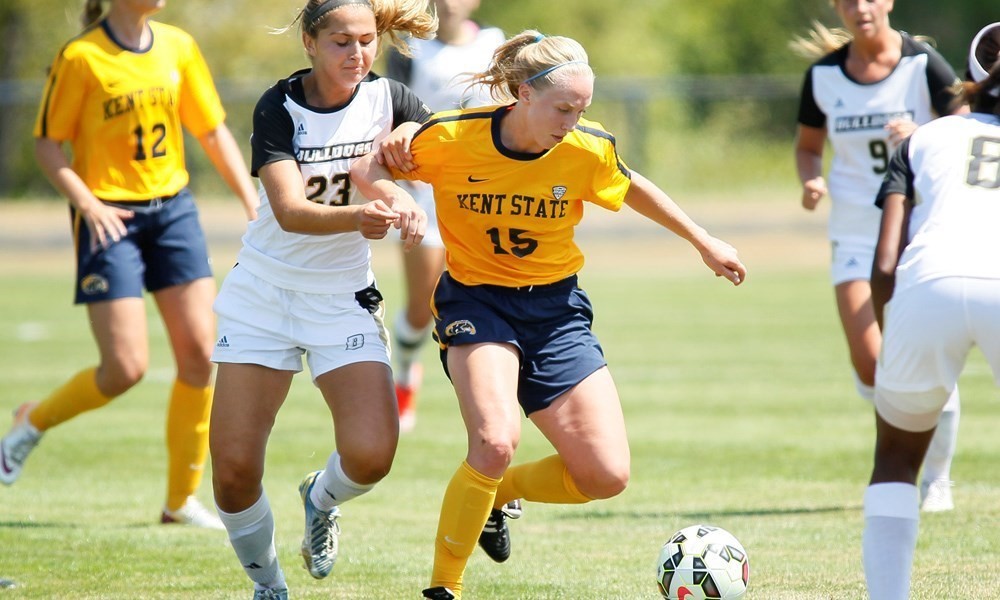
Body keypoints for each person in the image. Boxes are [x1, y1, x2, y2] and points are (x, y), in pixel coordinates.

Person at [351, 30, 747, 600]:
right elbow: (370, 168)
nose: (573, 119)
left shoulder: (586, 148)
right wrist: (401, 200)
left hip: (557, 310)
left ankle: (497, 494)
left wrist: (703, 240)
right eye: (564, 107)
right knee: (494, 440)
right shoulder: (452, 137)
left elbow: (630, 184)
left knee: (605, 475)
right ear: (521, 94)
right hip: (476, 301)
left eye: (582, 108)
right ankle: (444, 587)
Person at [0, 0, 258, 529]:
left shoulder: (179, 46)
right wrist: (88, 204)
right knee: (125, 369)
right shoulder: (82, 56)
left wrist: (254, 206)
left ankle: (179, 502)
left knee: (200, 355)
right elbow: (48, 146)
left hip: (175, 213)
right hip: (108, 218)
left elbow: (211, 132)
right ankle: (32, 420)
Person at [207, 0, 435, 598]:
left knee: (371, 456)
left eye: (366, 40)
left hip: (342, 299)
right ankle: (270, 586)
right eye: (341, 41)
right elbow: (288, 211)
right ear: (309, 42)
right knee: (233, 474)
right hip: (264, 293)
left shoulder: (391, 99)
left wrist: (413, 137)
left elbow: (438, 146)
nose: (356, 54)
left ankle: (320, 497)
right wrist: (366, 213)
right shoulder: (277, 106)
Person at [792, 0, 968, 512]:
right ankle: (905, 444)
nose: (859, 7)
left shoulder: (921, 65)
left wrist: (922, 135)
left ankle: (936, 478)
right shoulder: (824, 76)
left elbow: (967, 134)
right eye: (847, 0)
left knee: (922, 358)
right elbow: (807, 145)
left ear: (887, 2)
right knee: (873, 364)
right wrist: (810, 178)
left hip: (918, 230)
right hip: (853, 234)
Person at [863, 22, 1000, 599]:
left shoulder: (924, 138)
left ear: (968, 80)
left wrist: (900, 344)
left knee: (896, 459)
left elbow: (886, 266)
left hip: (927, 281)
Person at [384, 0, 504, 432]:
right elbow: (390, 115)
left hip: (481, 197)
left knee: (491, 296)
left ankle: (493, 398)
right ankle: (404, 377)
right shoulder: (409, 49)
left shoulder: (496, 46)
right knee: (422, 307)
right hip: (425, 196)